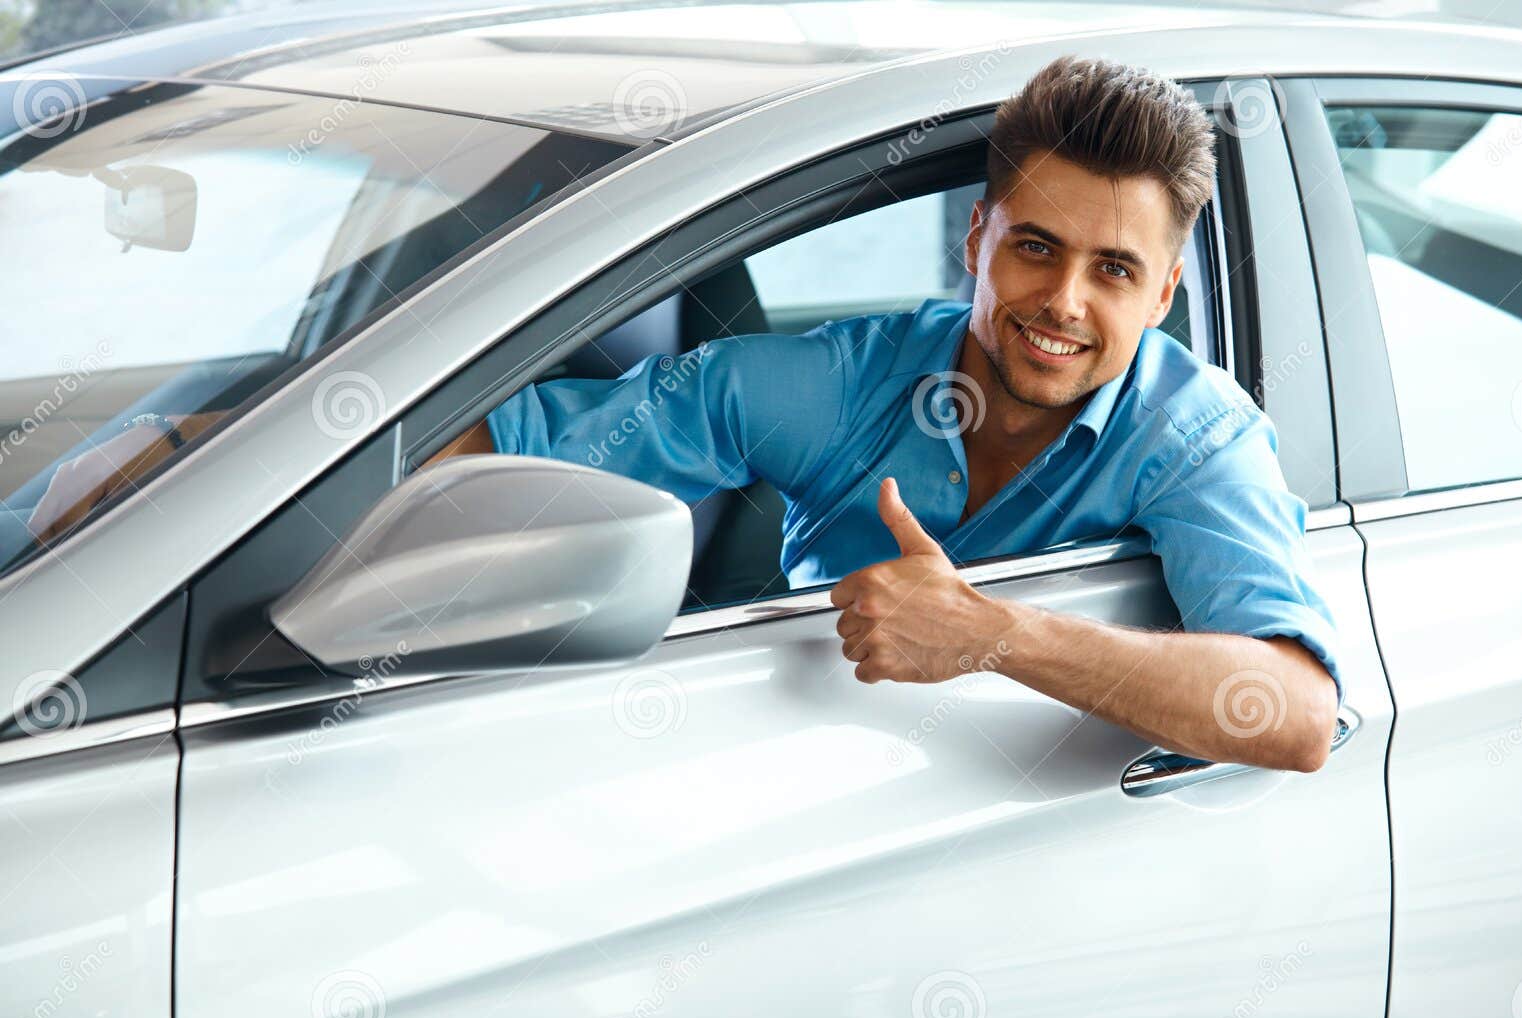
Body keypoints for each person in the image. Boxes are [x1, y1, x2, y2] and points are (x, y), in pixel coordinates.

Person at [29, 56, 1343, 772]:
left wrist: (992, 633)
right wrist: (184, 470)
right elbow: (501, 445)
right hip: (803, 776)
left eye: (1114, 270)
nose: (1061, 300)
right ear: (975, 244)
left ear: (1166, 291)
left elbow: (1290, 712)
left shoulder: (1199, 434)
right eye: (1034, 249)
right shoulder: (841, 382)